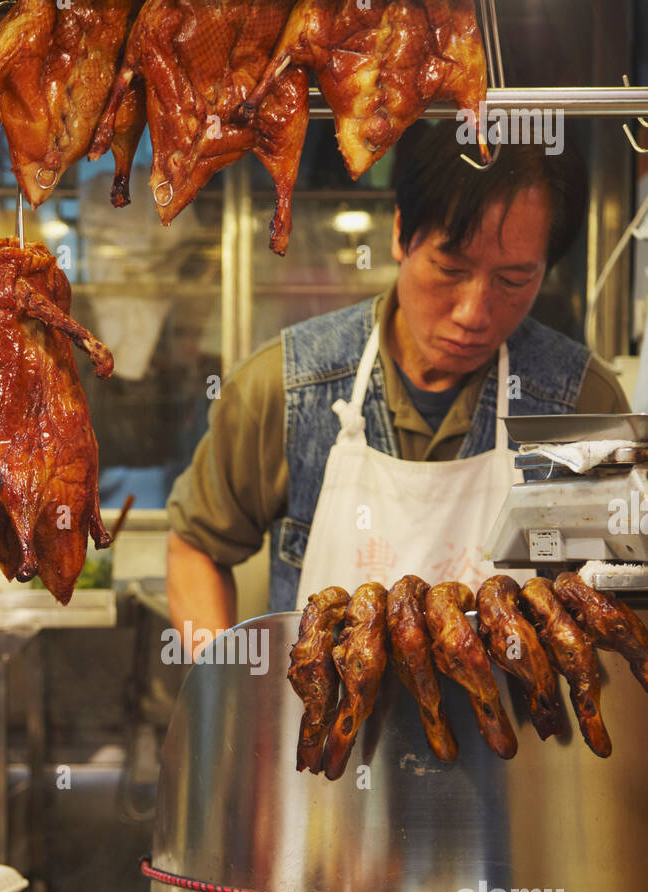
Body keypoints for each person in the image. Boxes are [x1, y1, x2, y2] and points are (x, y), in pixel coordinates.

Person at [166, 124, 630, 632]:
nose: (473, 313)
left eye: (512, 280)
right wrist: (233, 692)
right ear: (400, 233)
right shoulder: (283, 386)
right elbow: (197, 548)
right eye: (451, 269)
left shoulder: (584, 402)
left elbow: (610, 594)